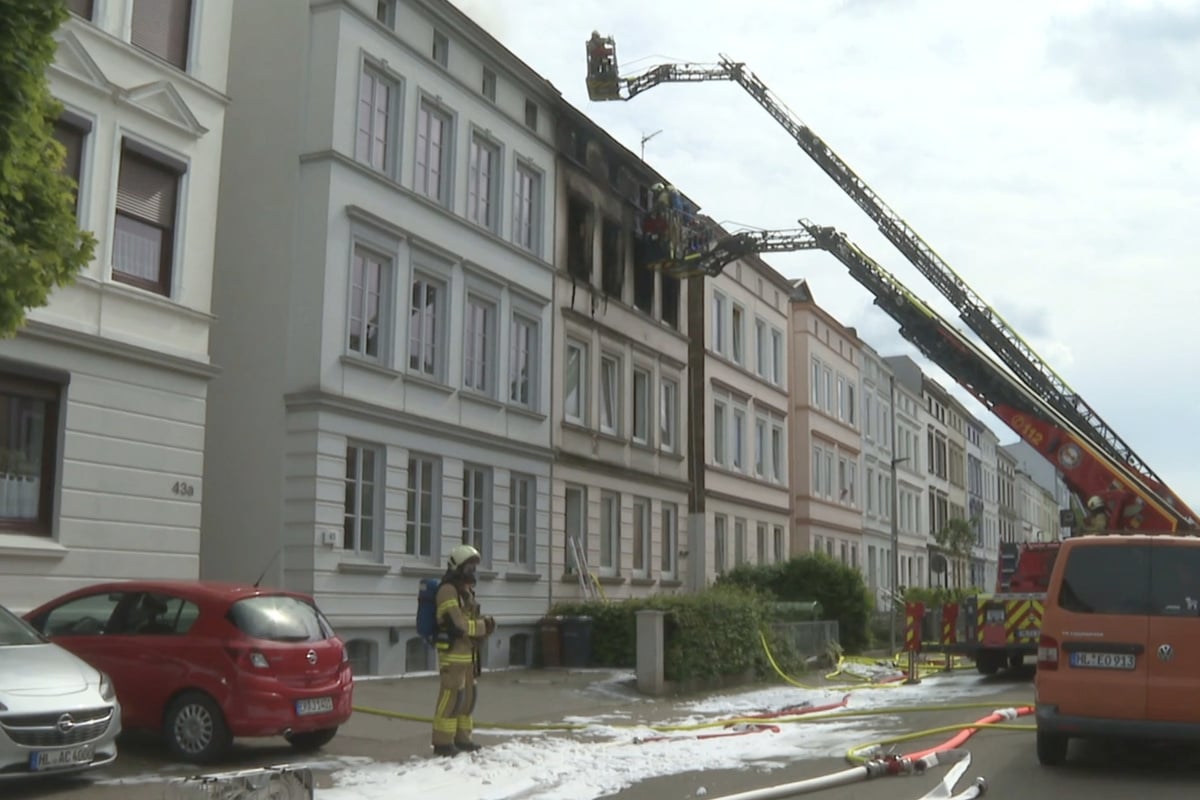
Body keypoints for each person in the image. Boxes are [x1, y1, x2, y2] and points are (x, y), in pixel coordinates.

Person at [431, 544, 494, 757]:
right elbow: (459, 624)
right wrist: (485, 627)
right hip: (453, 655)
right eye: (469, 567)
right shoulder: (447, 590)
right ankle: (442, 742)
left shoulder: (465, 591)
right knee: (451, 697)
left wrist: (482, 626)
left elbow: (471, 619)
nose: (473, 572)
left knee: (468, 698)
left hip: (468, 655)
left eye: (474, 567)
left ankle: (463, 738)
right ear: (457, 567)